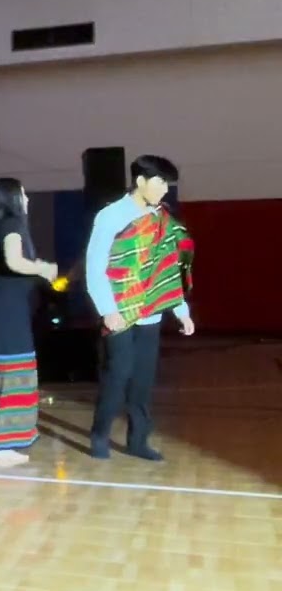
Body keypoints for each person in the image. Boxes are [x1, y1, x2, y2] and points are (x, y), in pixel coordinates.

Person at [86, 154, 195, 461]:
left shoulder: (162, 218)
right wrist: (108, 309)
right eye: (160, 182)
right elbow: (96, 266)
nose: (165, 190)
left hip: (151, 313)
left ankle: (138, 441)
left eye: (167, 184)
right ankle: (100, 435)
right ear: (141, 181)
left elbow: (167, 268)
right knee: (117, 375)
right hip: (119, 311)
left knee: (143, 380)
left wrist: (181, 311)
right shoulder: (110, 216)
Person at [0, 178, 59, 467]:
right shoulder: (12, 225)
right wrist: (43, 268)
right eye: (23, 193)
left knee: (0, 371)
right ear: (12, 198)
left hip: (0, 309)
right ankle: (2, 445)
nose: (27, 198)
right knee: (13, 369)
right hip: (8, 312)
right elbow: (13, 261)